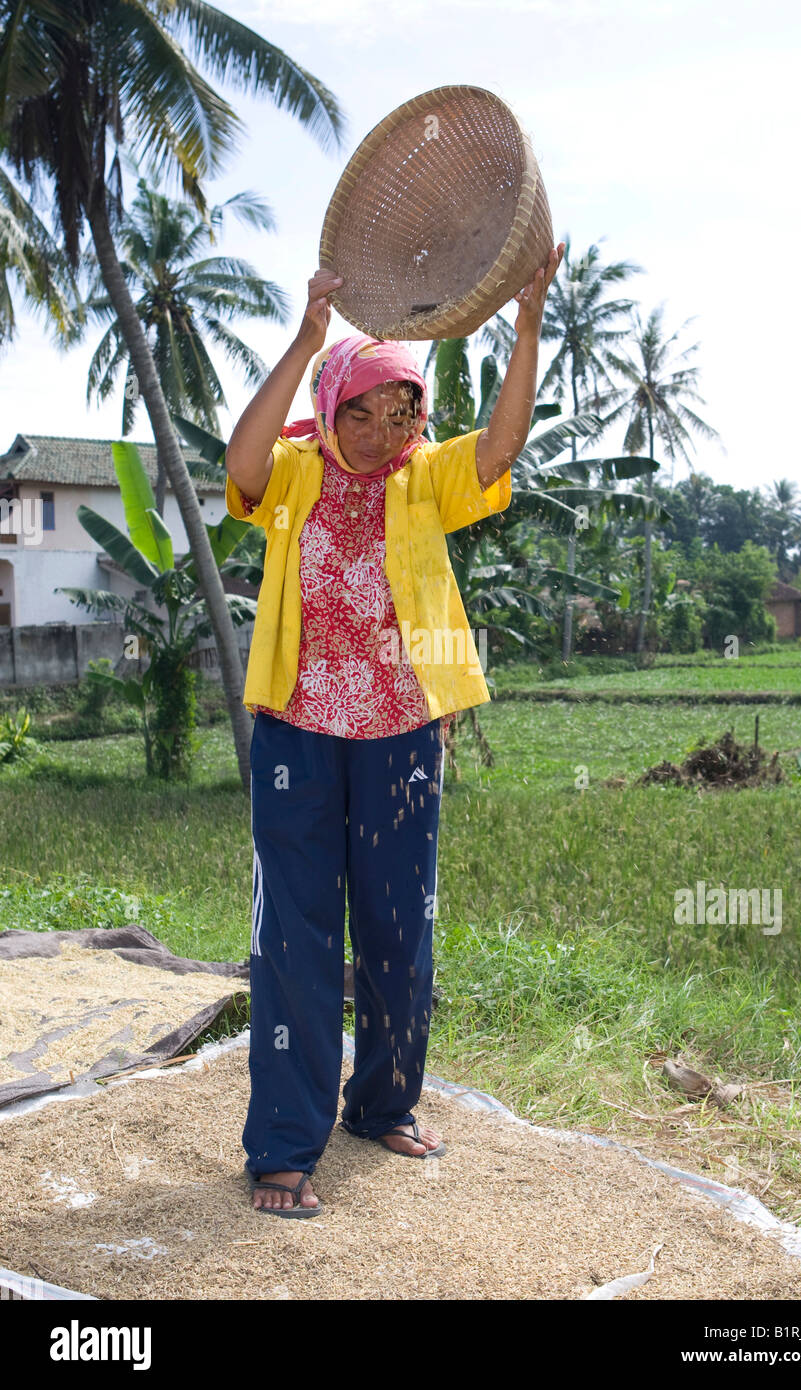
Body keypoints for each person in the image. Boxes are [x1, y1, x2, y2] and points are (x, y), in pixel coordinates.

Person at [225, 243, 565, 1216]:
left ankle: (382, 1103)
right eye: (361, 414)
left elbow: (499, 448)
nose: (381, 434)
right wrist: (306, 340)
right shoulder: (295, 472)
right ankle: (283, 1142)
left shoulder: (425, 479)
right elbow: (240, 465)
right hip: (296, 732)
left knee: (398, 927)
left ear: (419, 416)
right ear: (329, 410)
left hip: (403, 731)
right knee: (293, 935)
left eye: (401, 413)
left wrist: (527, 328)